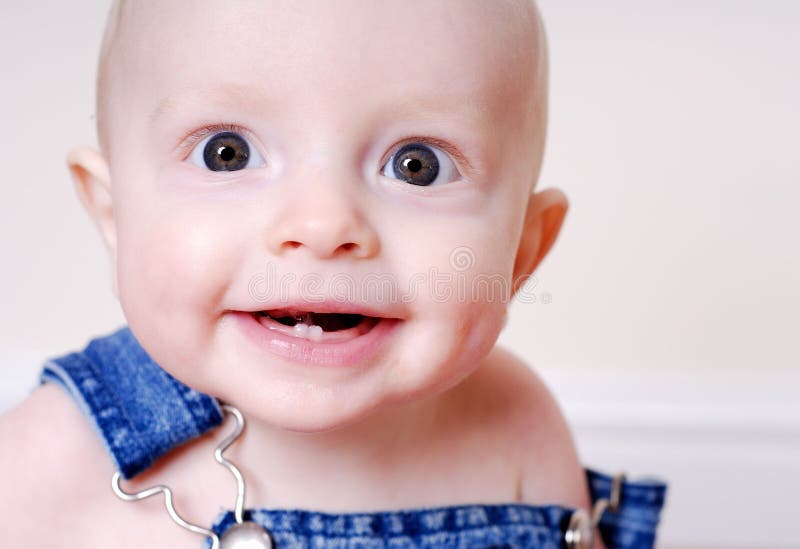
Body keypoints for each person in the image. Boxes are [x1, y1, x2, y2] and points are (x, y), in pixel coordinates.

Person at [0, 1, 666, 547]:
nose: (322, 225)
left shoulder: (515, 423)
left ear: (521, 254)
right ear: (113, 215)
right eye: (226, 153)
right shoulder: (53, 455)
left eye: (417, 165)